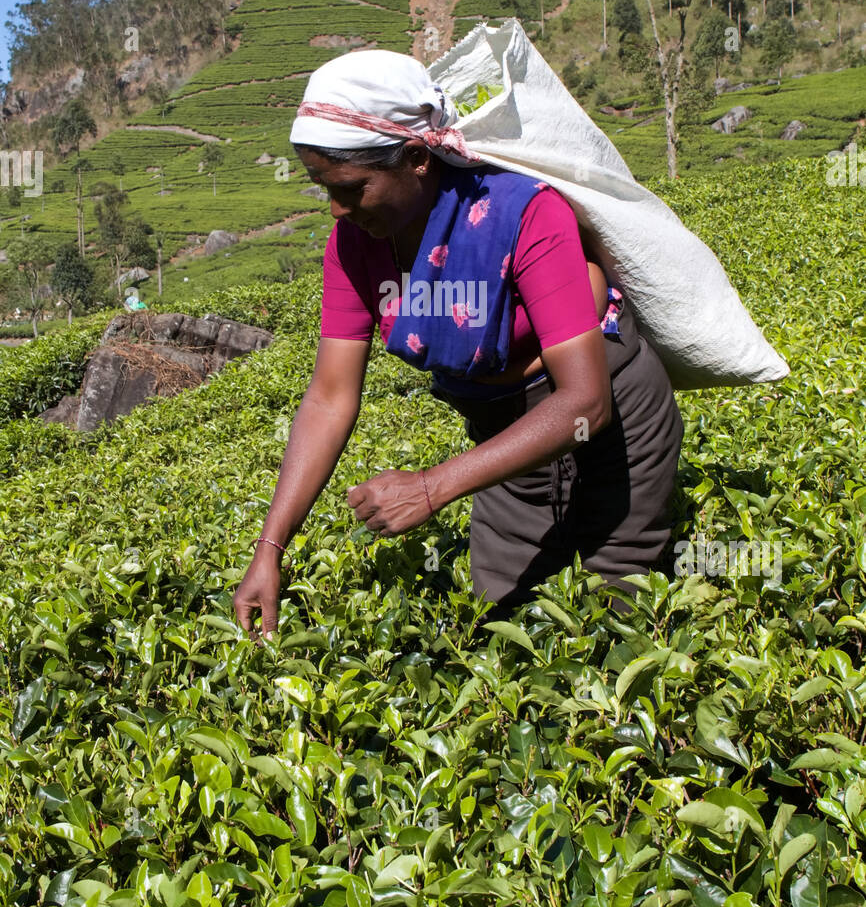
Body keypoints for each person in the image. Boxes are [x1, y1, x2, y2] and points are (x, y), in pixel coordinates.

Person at [233, 50, 684, 639]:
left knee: (616, 616)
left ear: (416, 158)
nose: (337, 210)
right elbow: (328, 398)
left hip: (613, 429)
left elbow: (585, 405)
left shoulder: (521, 214)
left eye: (351, 188)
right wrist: (270, 546)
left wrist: (432, 486)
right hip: (505, 443)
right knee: (498, 626)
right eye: (324, 189)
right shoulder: (354, 248)